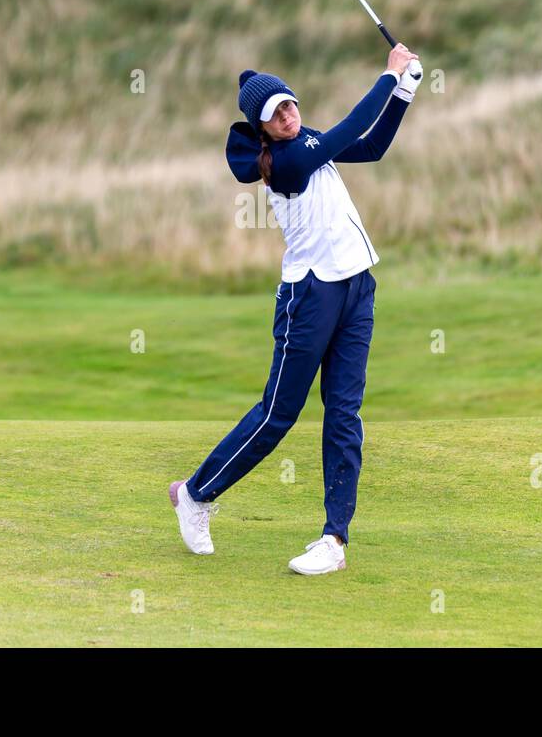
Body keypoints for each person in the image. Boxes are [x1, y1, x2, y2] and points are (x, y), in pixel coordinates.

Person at [170, 43, 422, 574]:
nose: (289, 116)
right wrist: (387, 76)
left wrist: (404, 93)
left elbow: (370, 145)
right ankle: (196, 495)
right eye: (276, 115)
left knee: (344, 413)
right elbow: (345, 133)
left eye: (289, 104)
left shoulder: (305, 140)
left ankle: (334, 540)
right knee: (278, 415)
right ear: (263, 129)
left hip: (356, 286)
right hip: (309, 297)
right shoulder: (284, 161)